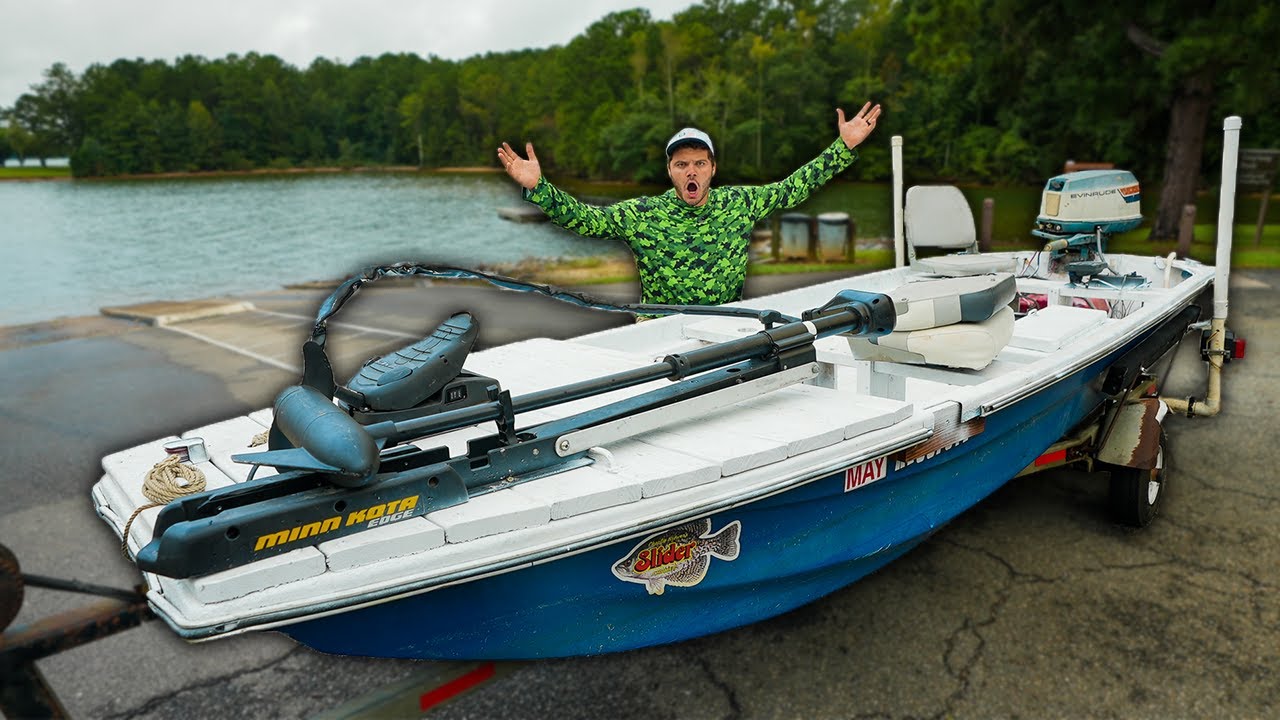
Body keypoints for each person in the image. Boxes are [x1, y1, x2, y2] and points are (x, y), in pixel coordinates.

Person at [497, 101, 882, 309]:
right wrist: (540, 187)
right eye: (682, 164)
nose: (691, 171)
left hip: (726, 325)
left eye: (699, 163)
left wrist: (843, 146)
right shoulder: (643, 214)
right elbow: (584, 219)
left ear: (712, 168)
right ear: (670, 171)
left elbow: (794, 187)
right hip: (661, 331)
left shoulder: (739, 203)